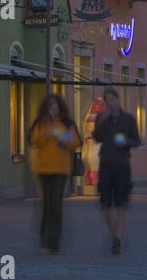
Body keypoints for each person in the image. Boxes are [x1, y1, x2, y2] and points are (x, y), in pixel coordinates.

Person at [29, 94, 81, 254]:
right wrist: (46, 133)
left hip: (60, 169)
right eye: (50, 107)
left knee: (56, 205)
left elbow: (76, 142)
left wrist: (62, 136)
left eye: (55, 106)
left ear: (60, 108)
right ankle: (44, 237)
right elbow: (33, 140)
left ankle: (54, 241)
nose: (53, 109)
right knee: (47, 204)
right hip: (44, 169)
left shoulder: (66, 123)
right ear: (46, 109)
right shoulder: (40, 123)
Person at [91, 87, 140, 255]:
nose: (110, 104)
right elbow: (96, 137)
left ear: (118, 100)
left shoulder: (128, 119)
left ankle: (117, 238)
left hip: (122, 165)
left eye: (112, 100)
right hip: (105, 164)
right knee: (105, 205)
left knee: (121, 204)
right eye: (107, 101)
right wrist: (101, 121)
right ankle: (115, 234)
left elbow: (136, 140)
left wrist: (126, 141)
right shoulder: (102, 118)